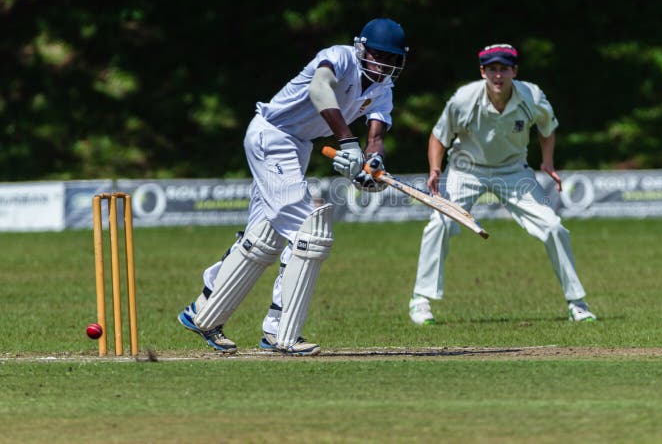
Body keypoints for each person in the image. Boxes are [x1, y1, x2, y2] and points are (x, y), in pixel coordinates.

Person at [178, 18, 409, 355]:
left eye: (391, 59)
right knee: (309, 230)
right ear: (361, 48)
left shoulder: (383, 89)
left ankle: (204, 310)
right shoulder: (338, 57)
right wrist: (347, 142)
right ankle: (279, 334)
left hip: (298, 145)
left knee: (264, 236)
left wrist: (371, 165)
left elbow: (376, 138)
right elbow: (319, 90)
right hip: (272, 135)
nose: (383, 64)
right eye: (377, 55)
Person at [408, 43, 597, 325]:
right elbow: (438, 136)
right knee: (440, 223)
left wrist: (547, 162)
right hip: (466, 170)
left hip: (513, 171)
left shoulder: (531, 96)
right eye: (492, 69)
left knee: (554, 226)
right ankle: (421, 300)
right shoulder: (464, 99)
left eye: (504, 69)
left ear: (514, 71)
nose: (499, 75)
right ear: (483, 72)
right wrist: (435, 168)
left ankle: (576, 303)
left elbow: (548, 128)